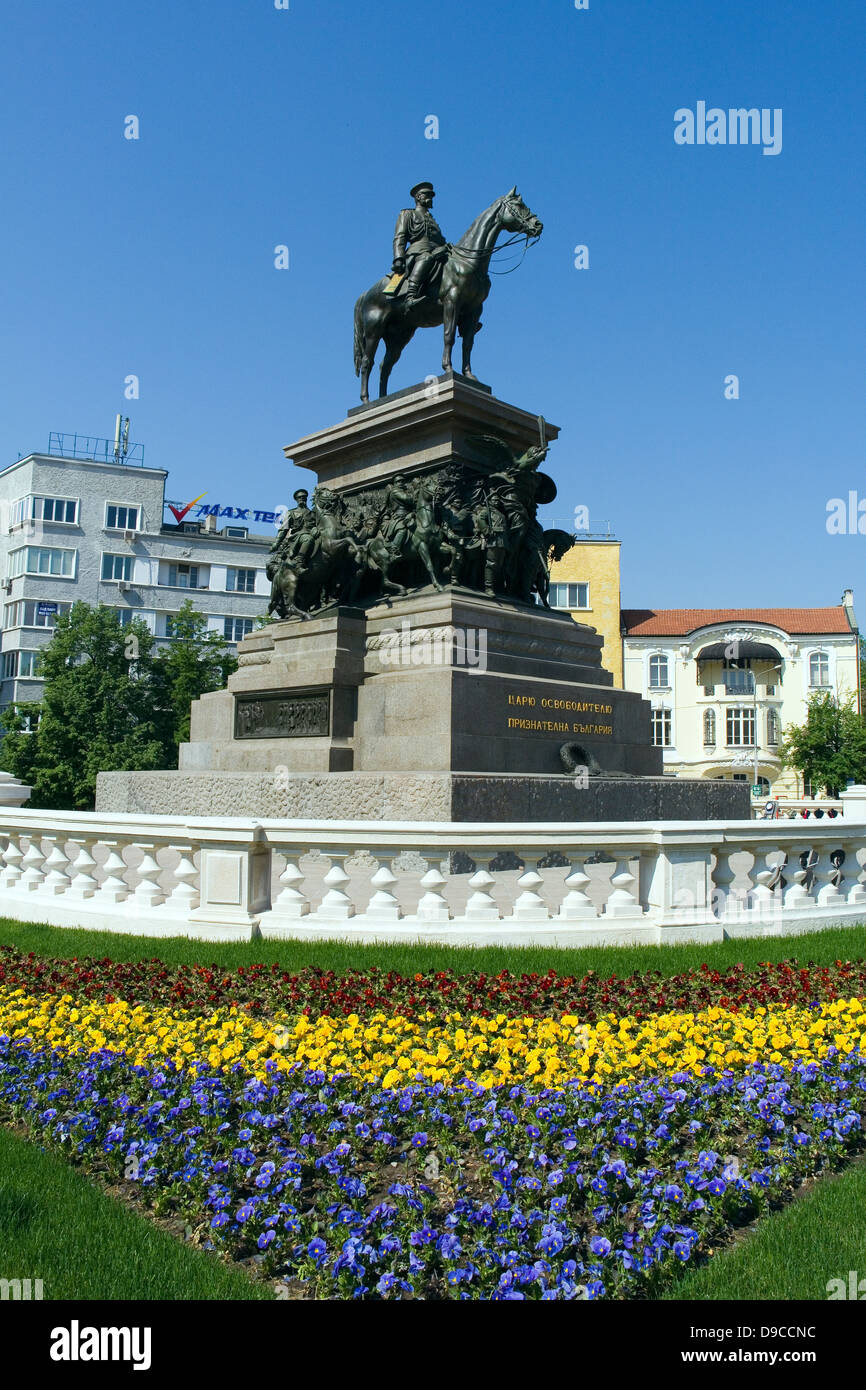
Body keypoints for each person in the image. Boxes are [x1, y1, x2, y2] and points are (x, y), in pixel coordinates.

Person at [390, 182, 450, 307]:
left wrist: (446, 248)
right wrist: (398, 259)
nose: (431, 198)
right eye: (427, 195)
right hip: (417, 251)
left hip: (437, 251)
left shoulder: (432, 220)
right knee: (426, 258)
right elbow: (399, 237)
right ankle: (410, 296)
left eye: (432, 196)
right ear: (418, 197)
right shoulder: (407, 214)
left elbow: (439, 239)